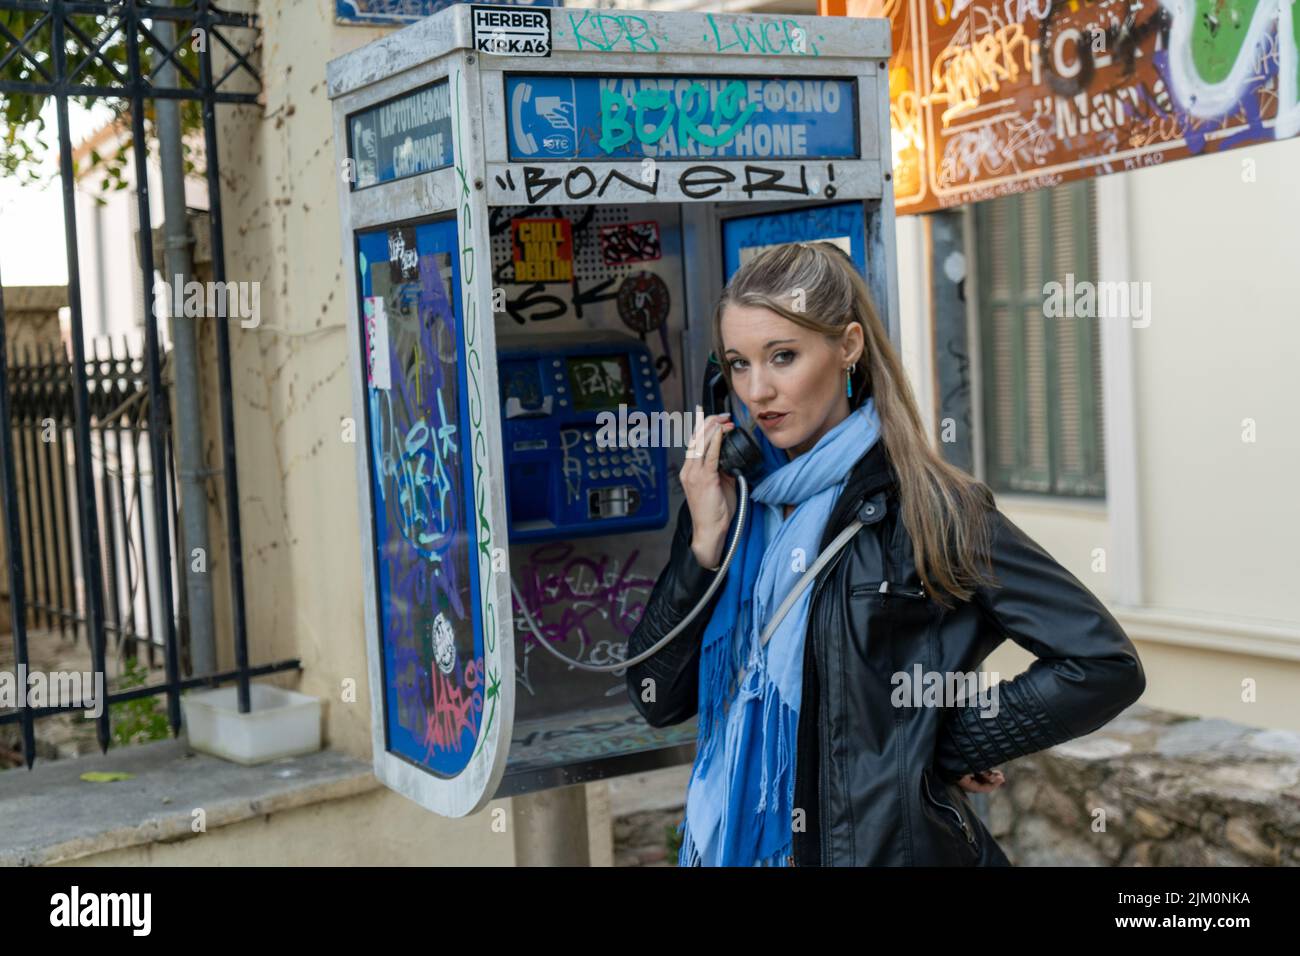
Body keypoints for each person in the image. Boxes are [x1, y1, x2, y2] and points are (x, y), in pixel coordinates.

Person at [623, 240, 1146, 867]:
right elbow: (656, 697)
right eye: (738, 365)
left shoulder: (928, 507)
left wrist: (948, 743)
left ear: (847, 346)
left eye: (783, 357)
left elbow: (1102, 663)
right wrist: (703, 546)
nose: (757, 391)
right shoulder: (728, 506)